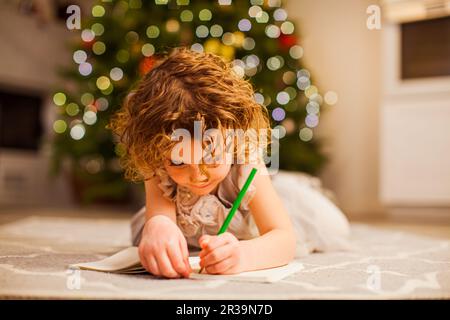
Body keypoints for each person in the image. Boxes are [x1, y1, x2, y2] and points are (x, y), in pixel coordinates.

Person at [109, 46, 351, 279]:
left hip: (256, 218)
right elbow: (160, 215)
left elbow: (284, 238)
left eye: (211, 158)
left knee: (328, 223)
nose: (198, 176)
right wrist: (159, 226)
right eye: (179, 163)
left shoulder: (245, 160)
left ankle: (286, 184)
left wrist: (243, 256)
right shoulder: (158, 155)